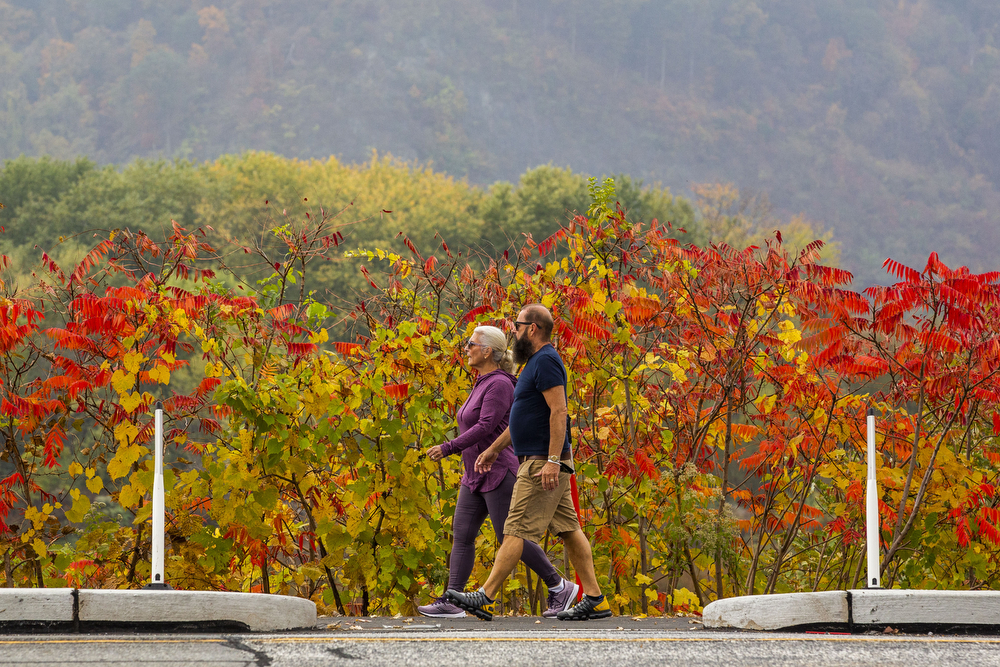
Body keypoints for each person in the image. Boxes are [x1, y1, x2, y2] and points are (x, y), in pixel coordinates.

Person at [446, 305, 611, 621]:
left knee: (515, 529)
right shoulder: (534, 364)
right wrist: (495, 448)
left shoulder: (546, 361)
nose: (514, 332)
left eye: (518, 326)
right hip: (543, 460)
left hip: (541, 463)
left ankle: (485, 596)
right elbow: (522, 419)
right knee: (569, 530)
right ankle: (595, 598)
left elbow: (558, 411)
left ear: (533, 328)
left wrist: (551, 462)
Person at [417, 325, 580, 618]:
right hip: (474, 473)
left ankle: (558, 587)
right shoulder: (482, 382)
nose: (466, 349)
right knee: (462, 534)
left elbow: (487, 426)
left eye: (471, 344)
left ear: (487, 351)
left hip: (498, 470)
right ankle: (452, 601)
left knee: (510, 537)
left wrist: (448, 447)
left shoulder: (500, 384)